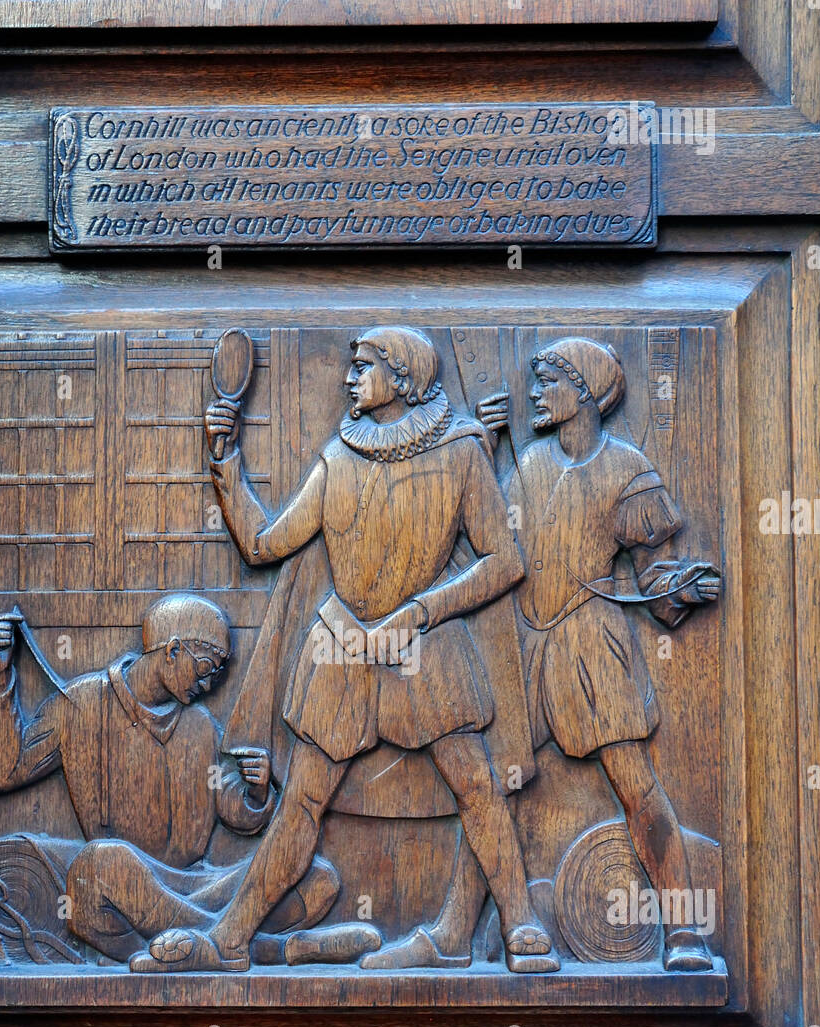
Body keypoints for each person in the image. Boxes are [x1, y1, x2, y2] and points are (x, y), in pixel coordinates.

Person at [130, 325, 558, 974]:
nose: (350, 378)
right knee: (302, 803)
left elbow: (503, 562)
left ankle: (523, 929)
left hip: (426, 647)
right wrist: (226, 463)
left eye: (363, 367)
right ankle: (232, 939)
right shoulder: (340, 457)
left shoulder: (462, 452)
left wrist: (419, 613)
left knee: (477, 787)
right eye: (351, 368)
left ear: (404, 377)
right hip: (340, 651)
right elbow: (265, 547)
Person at [487, 337, 720, 971]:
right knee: (490, 784)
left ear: (584, 391)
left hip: (592, 639)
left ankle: (684, 933)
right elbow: (494, 556)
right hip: (527, 642)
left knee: (636, 786)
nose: (535, 393)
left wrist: (684, 591)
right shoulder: (529, 466)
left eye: (548, 381)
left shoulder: (627, 471)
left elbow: (656, 589)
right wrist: (485, 455)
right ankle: (470, 933)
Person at [0, 592, 337, 965]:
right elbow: (3, 772)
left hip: (197, 888)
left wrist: (257, 790)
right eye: (205, 667)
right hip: (120, 887)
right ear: (172, 651)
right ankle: (239, 943)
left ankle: (193, 948)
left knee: (319, 878)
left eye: (218, 672)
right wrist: (1, 678)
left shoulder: (200, 725)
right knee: (97, 866)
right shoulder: (81, 704)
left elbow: (231, 808)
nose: (211, 683)